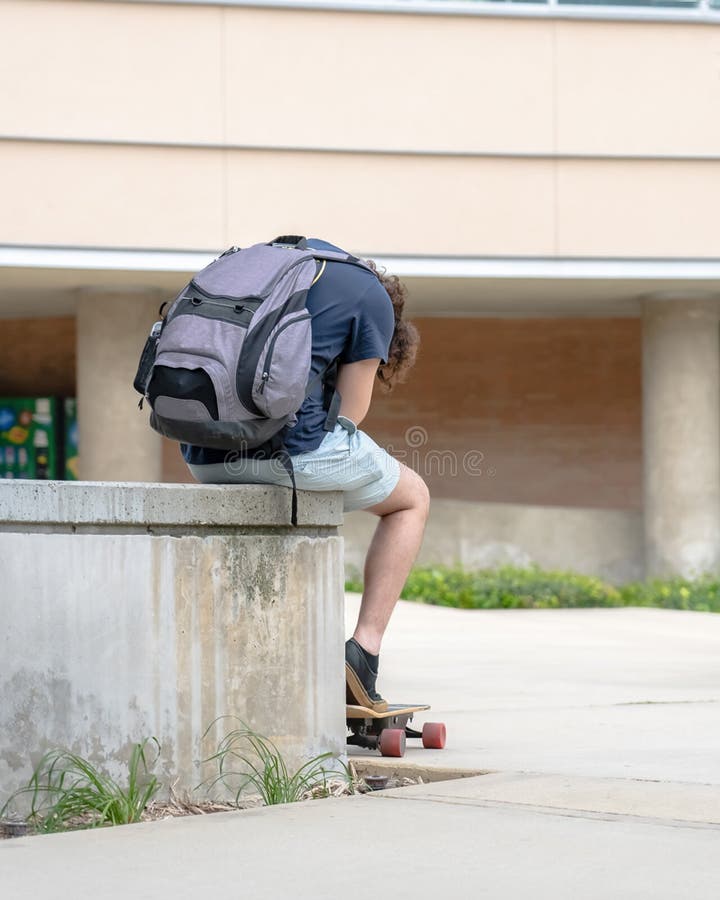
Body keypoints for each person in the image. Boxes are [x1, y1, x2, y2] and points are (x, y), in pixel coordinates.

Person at [180, 237, 428, 713]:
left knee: (294, 498)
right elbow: (351, 415)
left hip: (203, 457)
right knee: (412, 497)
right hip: (288, 455)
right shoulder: (371, 298)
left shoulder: (261, 269)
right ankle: (364, 652)